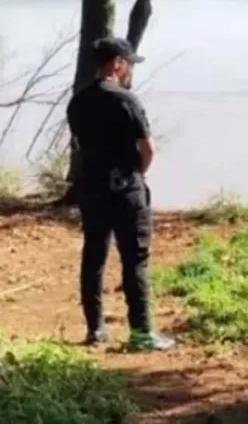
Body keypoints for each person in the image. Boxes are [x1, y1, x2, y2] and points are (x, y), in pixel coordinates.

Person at [66, 37, 175, 352]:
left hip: (92, 188)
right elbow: (148, 149)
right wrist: (138, 174)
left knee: (94, 257)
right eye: (128, 63)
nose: (129, 70)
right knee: (135, 260)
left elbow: (81, 144)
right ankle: (141, 333)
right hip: (126, 188)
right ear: (116, 63)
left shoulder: (78, 102)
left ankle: (95, 330)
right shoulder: (127, 100)